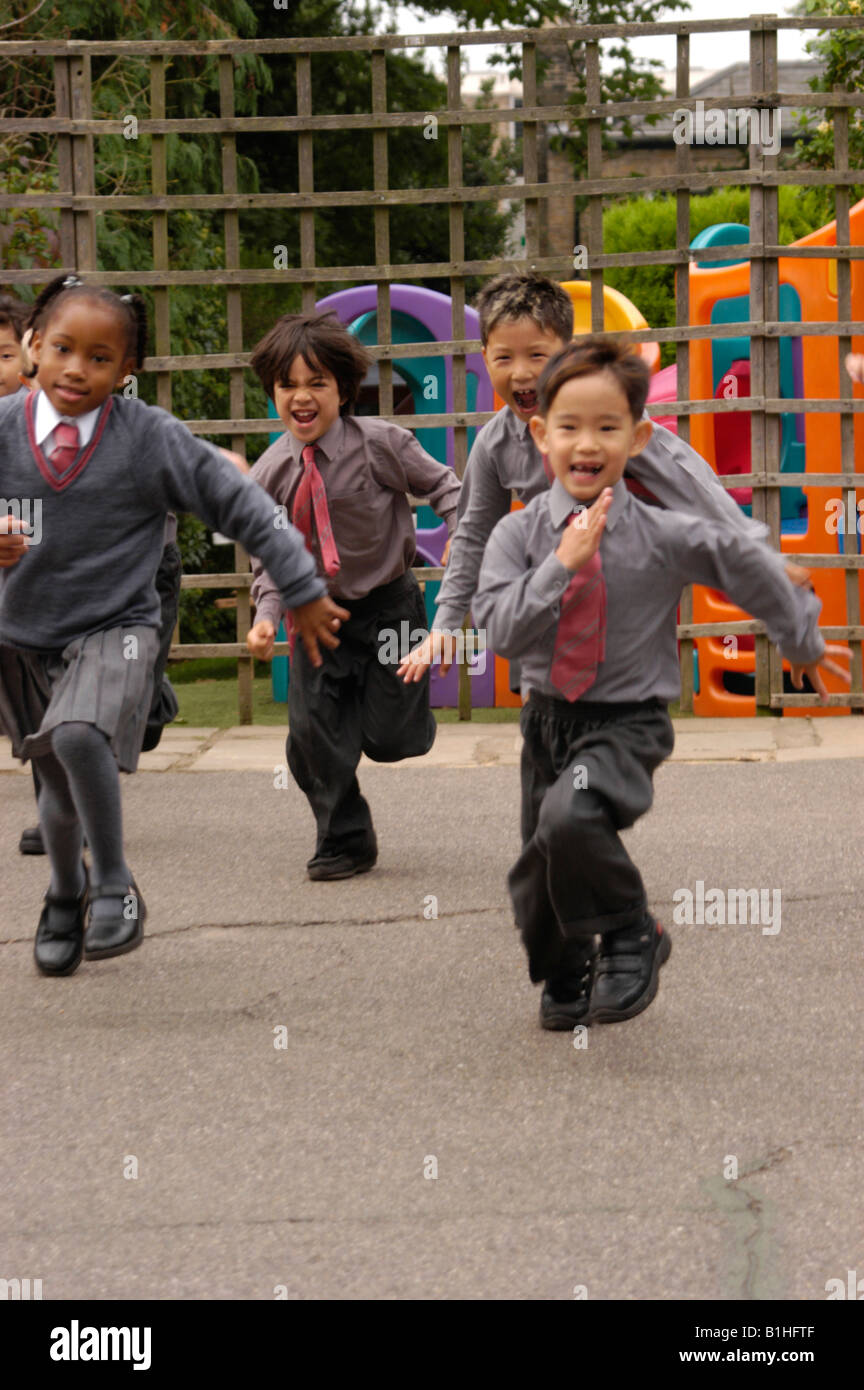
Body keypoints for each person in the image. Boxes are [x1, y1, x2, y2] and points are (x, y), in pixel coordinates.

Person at [472, 337, 850, 1031]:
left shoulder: (661, 534)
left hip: (626, 721)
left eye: (608, 428)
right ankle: (565, 973)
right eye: (570, 427)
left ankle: (631, 930)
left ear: (638, 436)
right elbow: (500, 631)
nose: (587, 444)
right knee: (537, 876)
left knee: (571, 817)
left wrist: (800, 636)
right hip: (548, 721)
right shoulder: (518, 539)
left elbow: (738, 556)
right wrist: (559, 565)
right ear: (540, 434)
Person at [0, 274, 345, 976]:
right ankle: (65, 894)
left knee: (77, 733)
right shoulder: (3, 430)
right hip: (23, 637)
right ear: (34, 345)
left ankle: (116, 884)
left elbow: (243, 505)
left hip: (118, 626)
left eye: (101, 358)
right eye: (63, 348)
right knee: (54, 791)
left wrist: (303, 586)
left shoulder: (148, 438)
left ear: (128, 371)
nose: (77, 368)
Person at [399, 272, 809, 687]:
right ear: (485, 357)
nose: (521, 373)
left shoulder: (609, 426)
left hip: (620, 596)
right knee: (543, 710)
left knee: (622, 712)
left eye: (537, 355)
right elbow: (473, 536)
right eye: (504, 358)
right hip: (549, 591)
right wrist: (447, 624)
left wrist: (758, 552)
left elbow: (692, 485)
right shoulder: (496, 443)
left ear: (566, 353)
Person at [244, 311, 461, 880]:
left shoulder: (383, 445)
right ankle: (345, 838)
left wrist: (467, 547)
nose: (302, 397)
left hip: (390, 607)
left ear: (344, 388)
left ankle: (369, 732)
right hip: (316, 617)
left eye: (317, 382)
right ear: (273, 392)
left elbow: (446, 488)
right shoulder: (270, 471)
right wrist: (267, 616)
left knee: (393, 740)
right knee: (313, 735)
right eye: (288, 384)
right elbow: (269, 556)